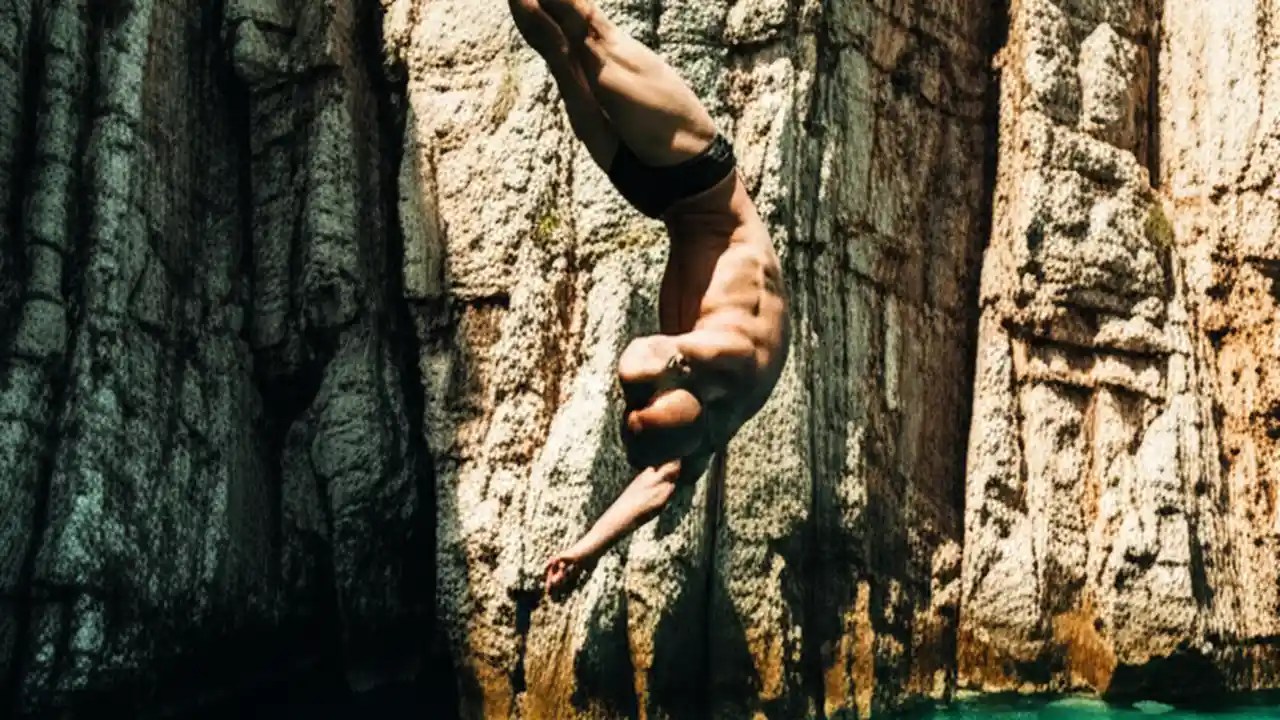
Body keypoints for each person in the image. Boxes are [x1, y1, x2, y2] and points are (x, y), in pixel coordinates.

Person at [505, 0, 790, 593]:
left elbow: (659, 485)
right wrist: (646, 387)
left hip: (655, 199)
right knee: (585, 34)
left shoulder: (704, 431)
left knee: (556, 56)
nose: (655, 384)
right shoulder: (737, 354)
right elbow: (641, 358)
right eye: (663, 388)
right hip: (695, 170)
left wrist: (583, 552)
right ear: (683, 374)